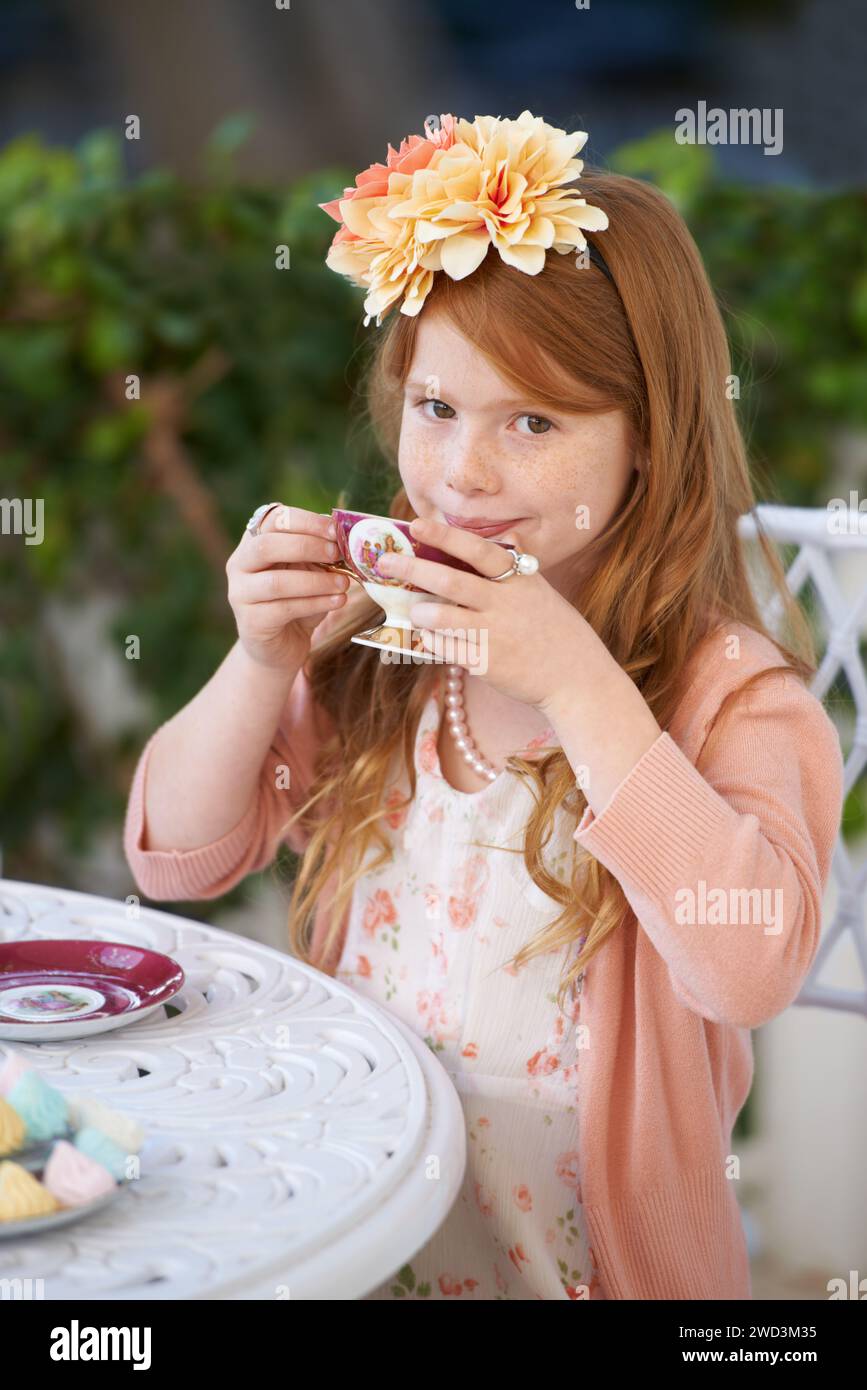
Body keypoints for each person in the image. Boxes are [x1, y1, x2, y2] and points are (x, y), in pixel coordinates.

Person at [123, 110, 844, 1300]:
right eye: (436, 408)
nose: (462, 473)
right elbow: (178, 858)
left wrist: (573, 676)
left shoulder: (732, 698)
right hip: (372, 1238)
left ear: (649, 446)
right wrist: (258, 661)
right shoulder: (384, 646)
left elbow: (749, 971)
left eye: (534, 422)